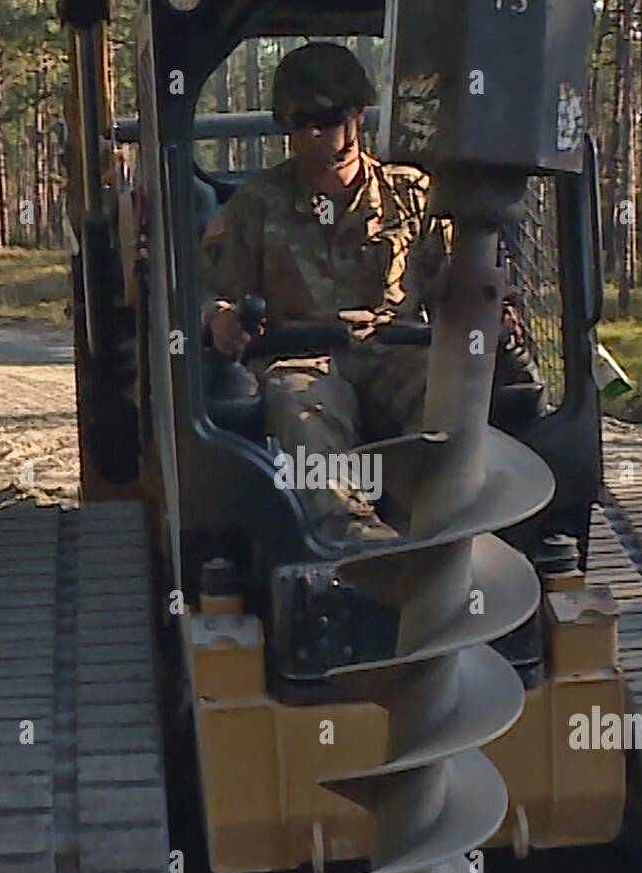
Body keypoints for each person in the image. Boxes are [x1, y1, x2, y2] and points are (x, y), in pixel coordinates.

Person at [199, 41, 544, 540]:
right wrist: (223, 320)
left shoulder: (413, 194)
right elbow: (215, 293)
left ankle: (435, 530)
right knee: (299, 408)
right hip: (305, 356)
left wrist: (490, 311)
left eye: (326, 115)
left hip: (398, 349)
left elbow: (456, 280)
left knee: (448, 396)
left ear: (357, 114)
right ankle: (351, 534)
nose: (312, 132)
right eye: (296, 121)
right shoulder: (256, 205)